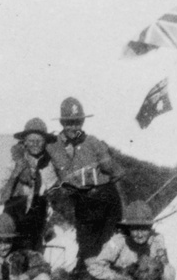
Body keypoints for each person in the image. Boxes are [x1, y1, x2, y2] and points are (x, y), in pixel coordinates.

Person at [45, 97, 126, 267]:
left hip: (105, 200)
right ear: (62, 123)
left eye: (77, 122)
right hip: (82, 203)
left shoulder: (93, 142)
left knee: (108, 251)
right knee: (87, 254)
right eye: (69, 123)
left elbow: (116, 172)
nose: (74, 127)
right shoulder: (52, 146)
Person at [86, 200, 177, 280]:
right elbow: (95, 267)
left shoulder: (156, 240)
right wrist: (117, 277)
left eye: (144, 229)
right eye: (135, 229)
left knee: (168, 271)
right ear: (128, 228)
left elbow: (164, 265)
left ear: (150, 228)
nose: (139, 234)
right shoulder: (119, 241)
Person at [0, 117, 57, 251]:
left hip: (40, 220)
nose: (35, 144)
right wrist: (16, 172)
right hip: (15, 217)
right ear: (24, 142)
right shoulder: (13, 162)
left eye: (39, 140)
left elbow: (54, 194)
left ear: (45, 142)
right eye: (31, 140)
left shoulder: (50, 164)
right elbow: (3, 197)